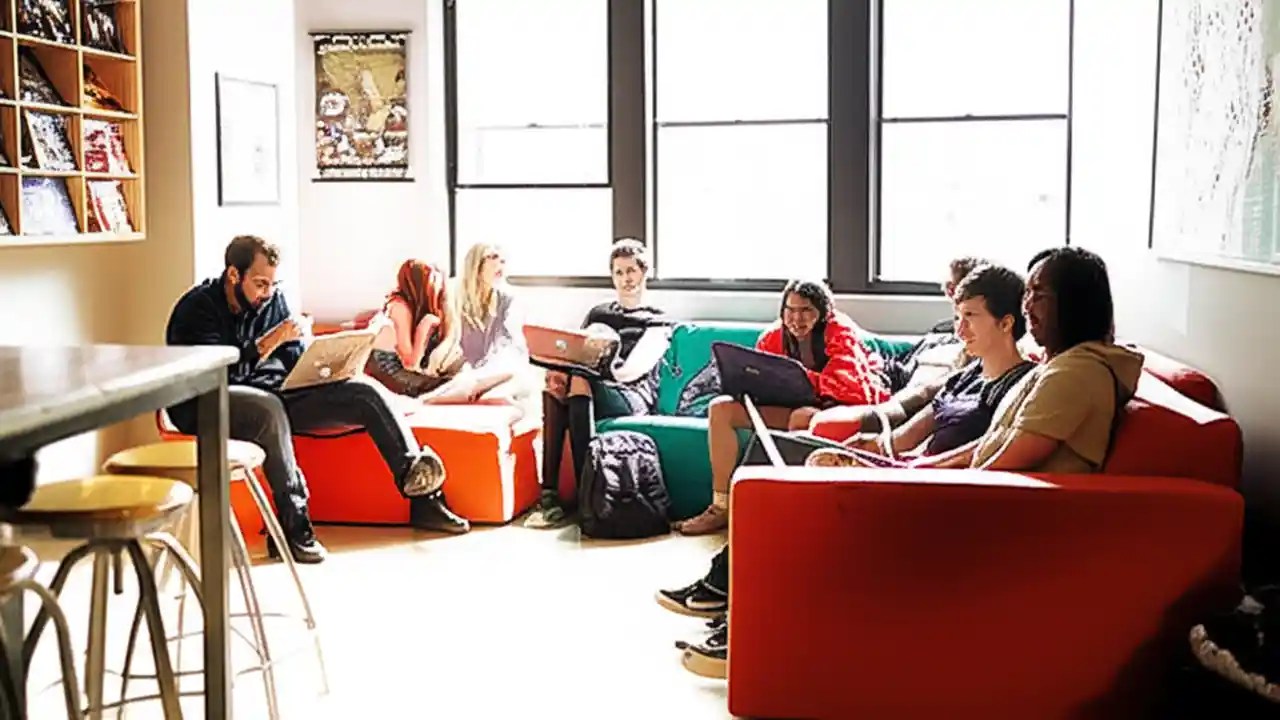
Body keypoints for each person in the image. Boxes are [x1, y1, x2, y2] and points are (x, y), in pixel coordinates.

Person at [665, 246, 1144, 679]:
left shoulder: (1073, 374)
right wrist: (895, 461)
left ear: (1074, 301)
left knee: (803, 481)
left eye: (1039, 294)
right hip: (966, 496)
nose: (1028, 306)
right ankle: (740, 610)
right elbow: (985, 452)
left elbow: (998, 468)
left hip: (985, 515)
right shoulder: (1061, 367)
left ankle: (747, 620)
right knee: (788, 461)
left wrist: (904, 475)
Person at [166, 236, 471, 565]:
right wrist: (266, 344)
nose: (267, 293)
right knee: (267, 409)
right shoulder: (198, 307)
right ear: (233, 276)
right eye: (259, 284)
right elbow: (216, 372)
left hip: (274, 394)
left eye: (272, 283)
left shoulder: (273, 301)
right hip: (204, 401)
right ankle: (292, 524)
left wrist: (323, 363)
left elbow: (294, 358)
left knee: (364, 392)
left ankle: (423, 494)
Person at [673, 279, 890, 536]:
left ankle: (793, 510)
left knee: (801, 417)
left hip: (835, 409)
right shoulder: (773, 337)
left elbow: (854, 390)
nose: (797, 319)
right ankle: (721, 507)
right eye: (791, 310)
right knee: (721, 409)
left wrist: (801, 378)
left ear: (823, 313)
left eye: (806, 311)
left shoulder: (840, 333)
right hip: (787, 405)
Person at [807, 263, 1035, 467]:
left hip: (943, 484)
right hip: (916, 470)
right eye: (957, 318)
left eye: (970, 316)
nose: (959, 330)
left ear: (1005, 323)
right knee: (812, 454)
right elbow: (912, 432)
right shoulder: (965, 377)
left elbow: (988, 449)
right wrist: (876, 446)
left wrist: (918, 470)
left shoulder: (1022, 384)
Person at [525, 238, 672, 528]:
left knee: (579, 380)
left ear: (644, 273)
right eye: (619, 273)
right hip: (593, 383)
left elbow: (632, 370)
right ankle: (549, 494)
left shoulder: (657, 320)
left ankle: (586, 494)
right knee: (555, 380)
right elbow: (575, 350)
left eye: (631, 271)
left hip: (633, 394)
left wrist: (595, 370)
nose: (625, 279)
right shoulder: (598, 313)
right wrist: (561, 366)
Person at [419, 243, 529, 404]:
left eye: (503, 261)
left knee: (519, 373)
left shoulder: (507, 300)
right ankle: (445, 396)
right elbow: (449, 340)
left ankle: (483, 392)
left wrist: (497, 368)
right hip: (461, 367)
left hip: (495, 366)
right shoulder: (453, 295)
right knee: (468, 377)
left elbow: (511, 343)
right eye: (492, 257)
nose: (499, 264)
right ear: (475, 264)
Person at [364, 259, 465, 398]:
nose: (437, 287)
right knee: (447, 387)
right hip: (387, 368)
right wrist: (424, 326)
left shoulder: (414, 306)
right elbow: (410, 363)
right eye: (432, 280)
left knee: (458, 379)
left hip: (397, 367)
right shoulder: (399, 307)